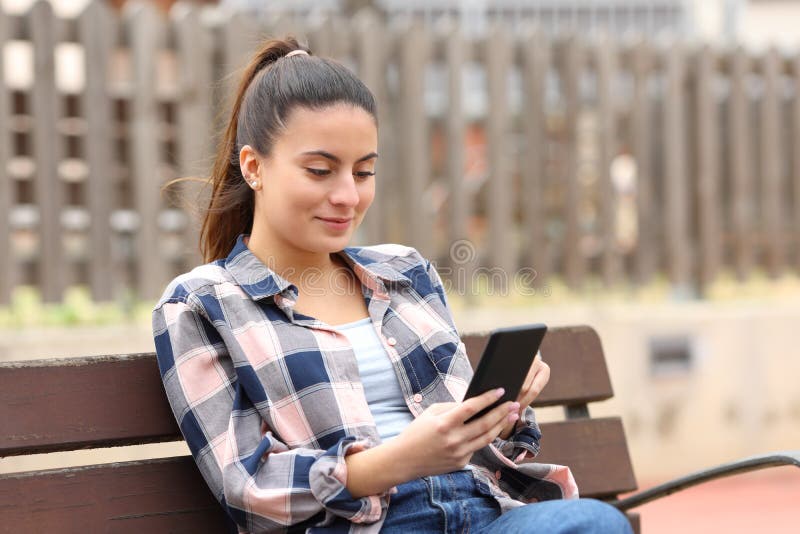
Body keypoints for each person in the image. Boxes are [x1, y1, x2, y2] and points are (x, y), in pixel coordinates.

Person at [152, 37, 633, 534]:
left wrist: (501, 412)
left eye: (364, 172)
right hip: (362, 524)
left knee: (592, 522)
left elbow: (486, 451)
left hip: (479, 511)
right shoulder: (202, 304)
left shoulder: (404, 273)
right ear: (254, 167)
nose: (347, 196)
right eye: (320, 170)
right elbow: (247, 487)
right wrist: (396, 461)